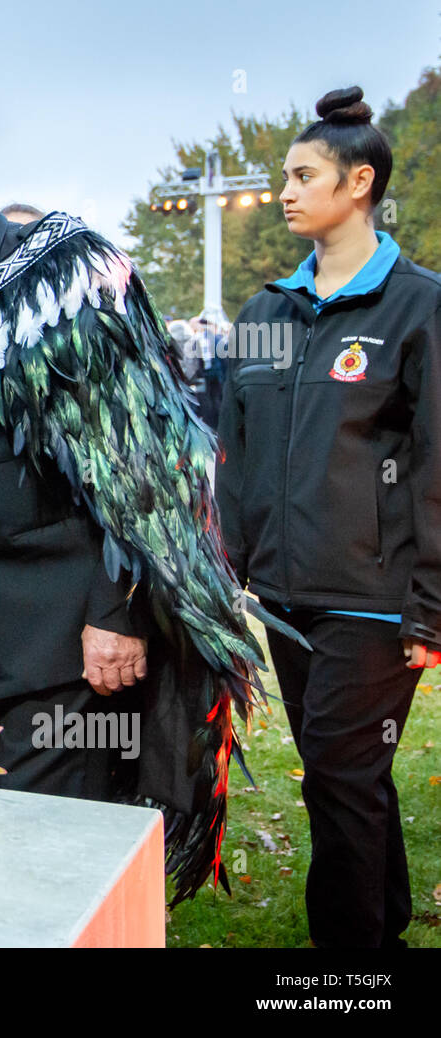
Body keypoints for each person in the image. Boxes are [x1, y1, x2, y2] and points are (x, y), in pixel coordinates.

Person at [0, 101, 271, 904]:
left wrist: (119, 612)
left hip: (63, 642)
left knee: (48, 860)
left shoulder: (65, 279)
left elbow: (148, 465)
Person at [217, 87, 441, 947]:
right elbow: (235, 449)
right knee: (350, 776)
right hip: (283, 593)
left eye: (304, 175)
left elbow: (435, 463)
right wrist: (226, 571)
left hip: (374, 597)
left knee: (340, 782)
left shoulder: (418, 306)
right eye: (283, 175)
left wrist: (431, 600)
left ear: (360, 184)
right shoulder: (268, 310)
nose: (285, 190)